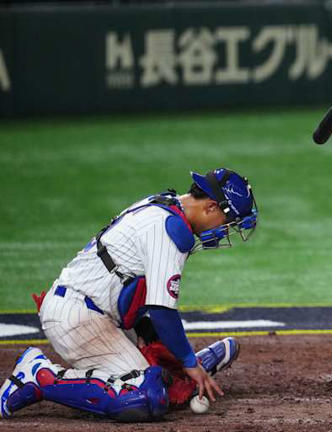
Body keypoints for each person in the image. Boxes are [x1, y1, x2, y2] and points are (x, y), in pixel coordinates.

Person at [1, 168, 259, 421]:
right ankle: (39, 376)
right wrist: (189, 360)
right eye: (227, 222)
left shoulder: (164, 204)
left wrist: (161, 345)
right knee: (143, 397)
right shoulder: (171, 230)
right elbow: (161, 311)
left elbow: (135, 291)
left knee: (161, 376)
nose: (225, 230)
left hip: (99, 311)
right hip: (76, 318)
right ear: (211, 207)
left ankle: (178, 371)